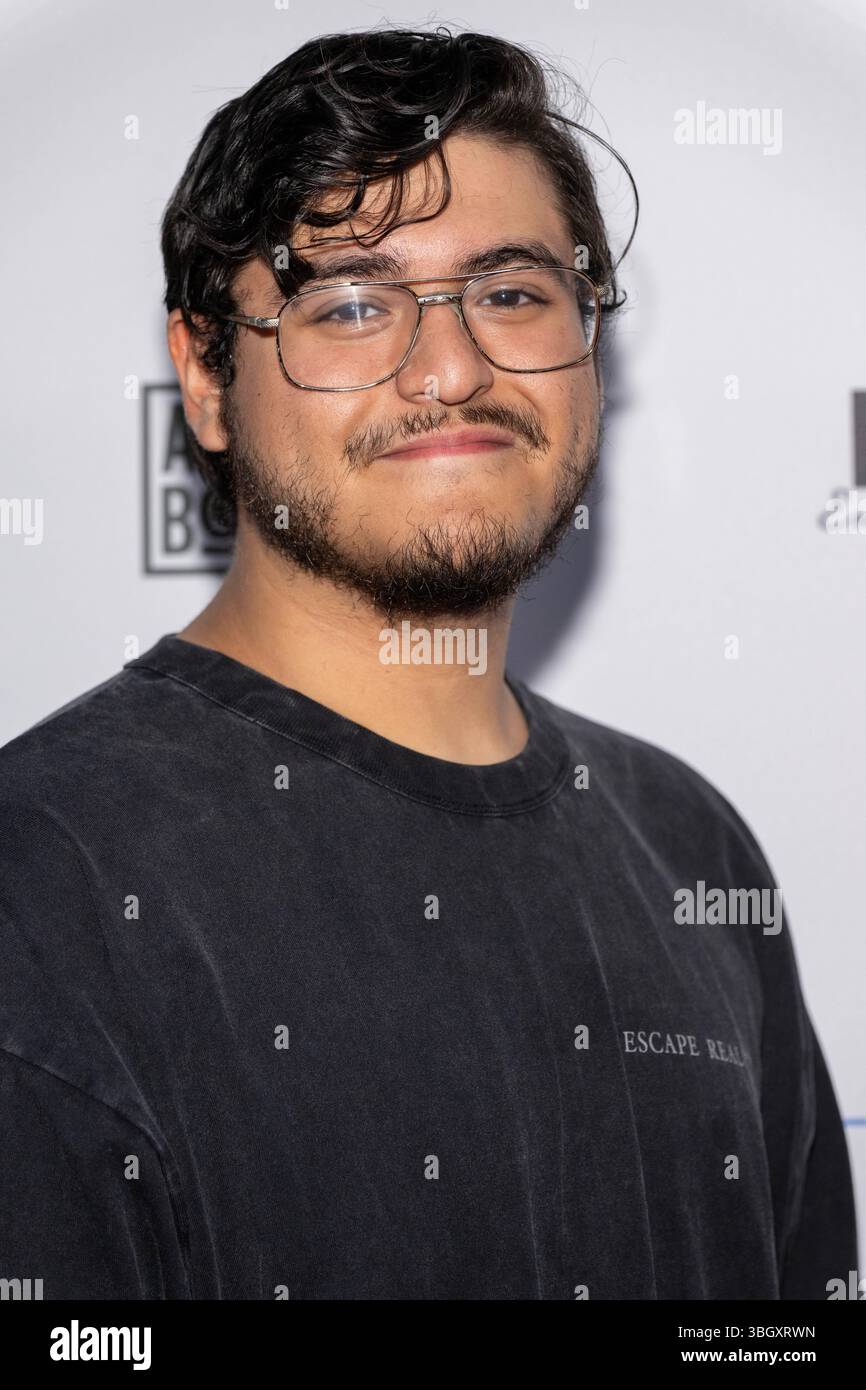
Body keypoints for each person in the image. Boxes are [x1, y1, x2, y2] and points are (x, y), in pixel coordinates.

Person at [0, 26, 856, 1300]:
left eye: (510, 291)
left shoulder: (691, 849)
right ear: (206, 376)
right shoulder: (42, 878)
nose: (450, 368)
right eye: (350, 303)